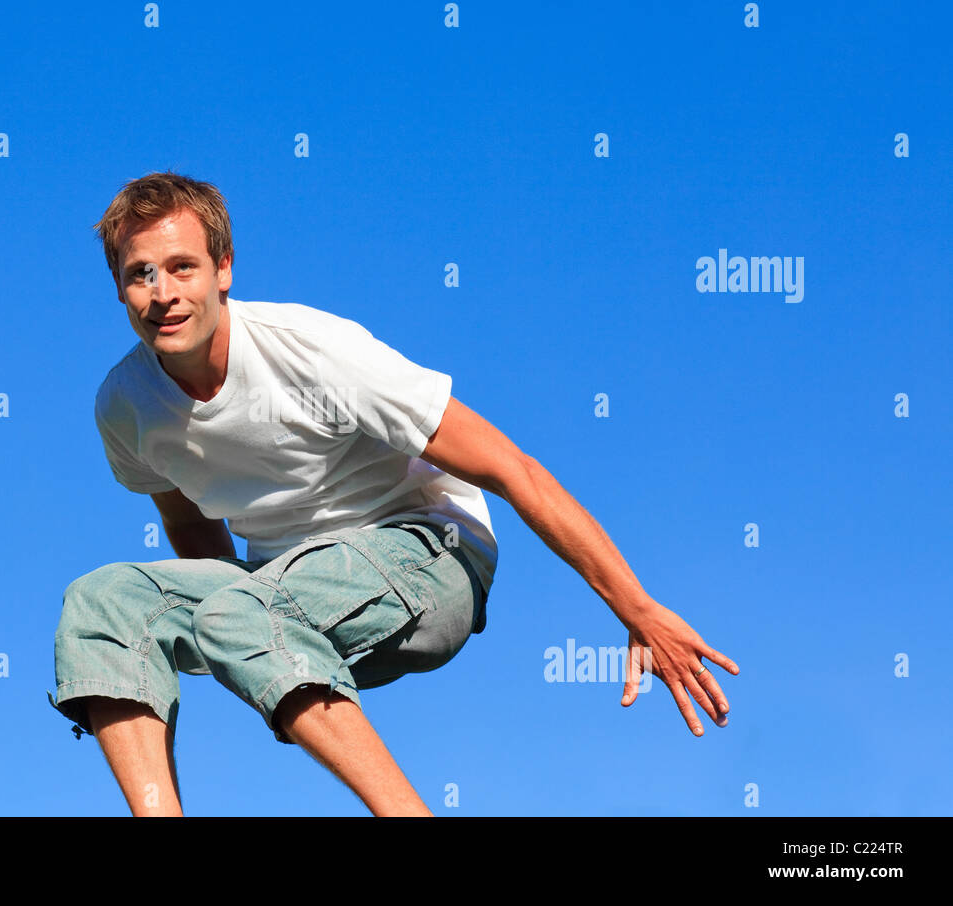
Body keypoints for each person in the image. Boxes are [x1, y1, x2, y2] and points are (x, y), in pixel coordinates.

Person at [48, 171, 739, 816]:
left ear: (223, 270)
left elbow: (510, 468)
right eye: (140, 274)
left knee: (236, 611)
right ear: (118, 288)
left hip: (428, 556)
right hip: (285, 588)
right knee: (101, 602)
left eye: (181, 268)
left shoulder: (311, 351)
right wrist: (241, 644)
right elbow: (190, 530)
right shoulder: (126, 405)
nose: (162, 292)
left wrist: (637, 609)